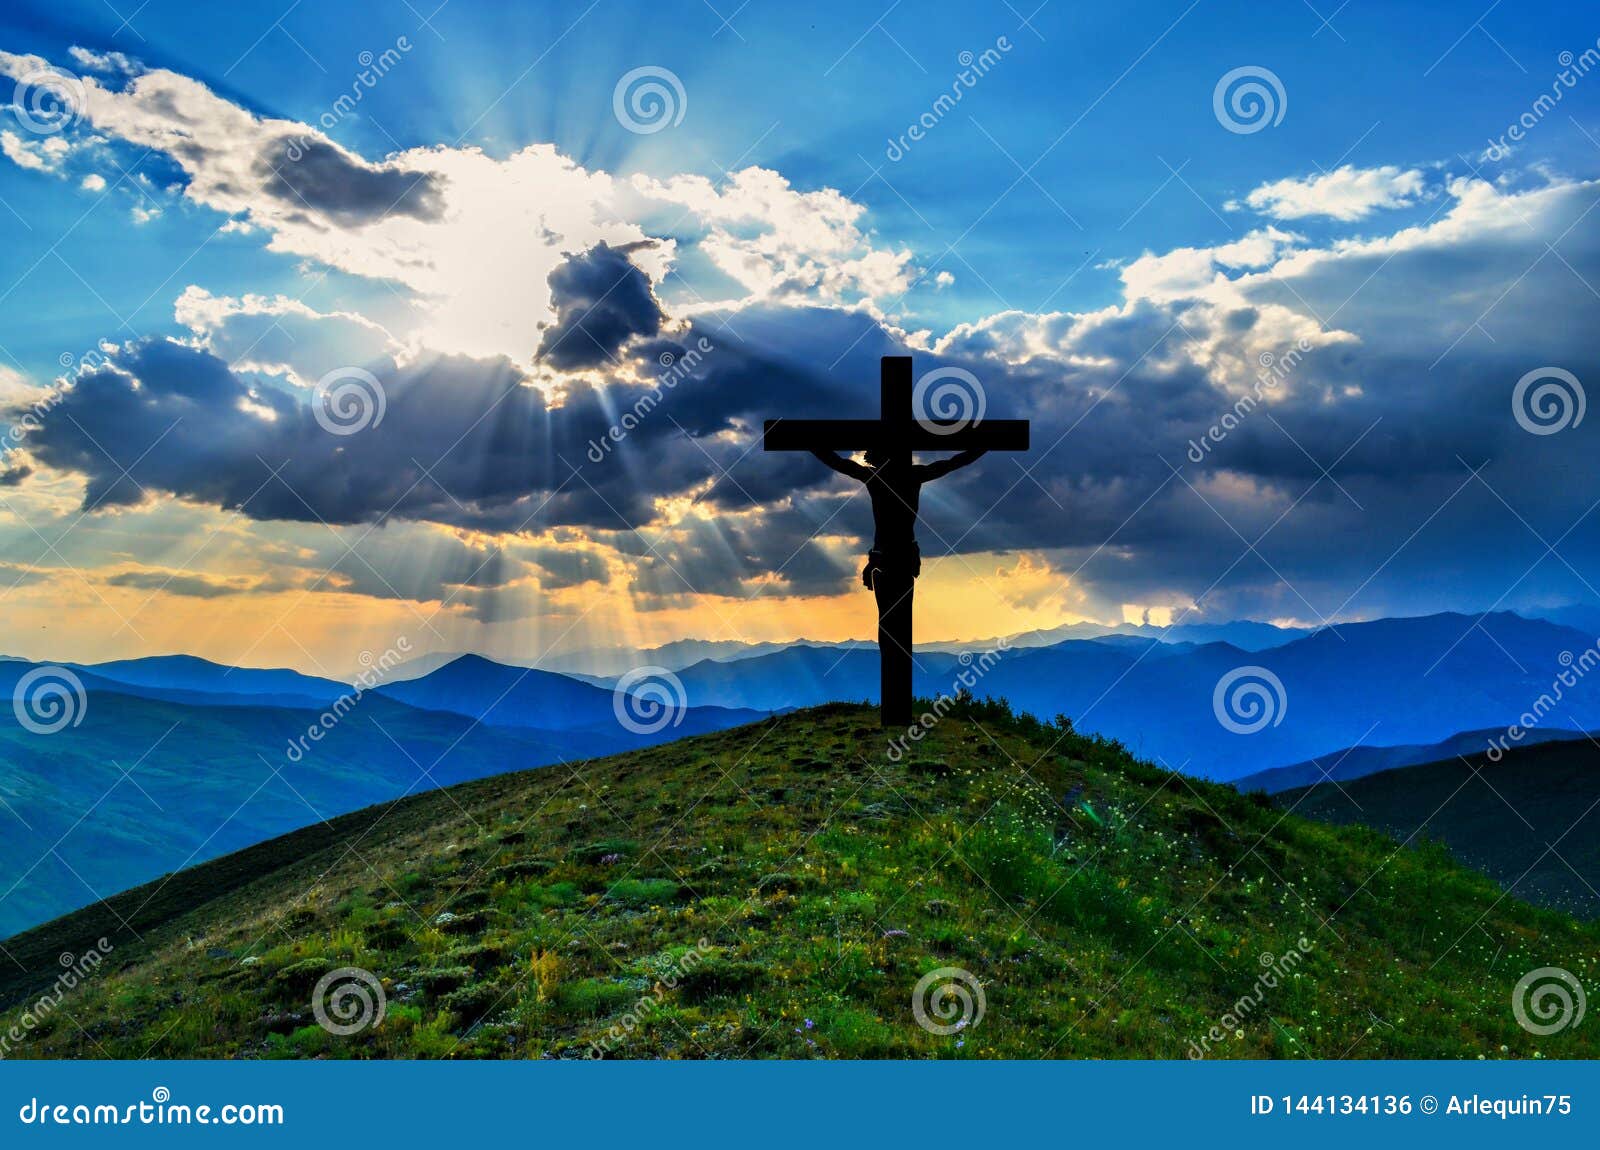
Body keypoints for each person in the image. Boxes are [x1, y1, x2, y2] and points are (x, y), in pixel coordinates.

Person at [808, 442, 986, 605]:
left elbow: (839, 463)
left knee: (889, 617)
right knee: (898, 612)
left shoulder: (877, 478)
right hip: (899, 555)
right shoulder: (911, 476)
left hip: (890, 556)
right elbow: (954, 463)